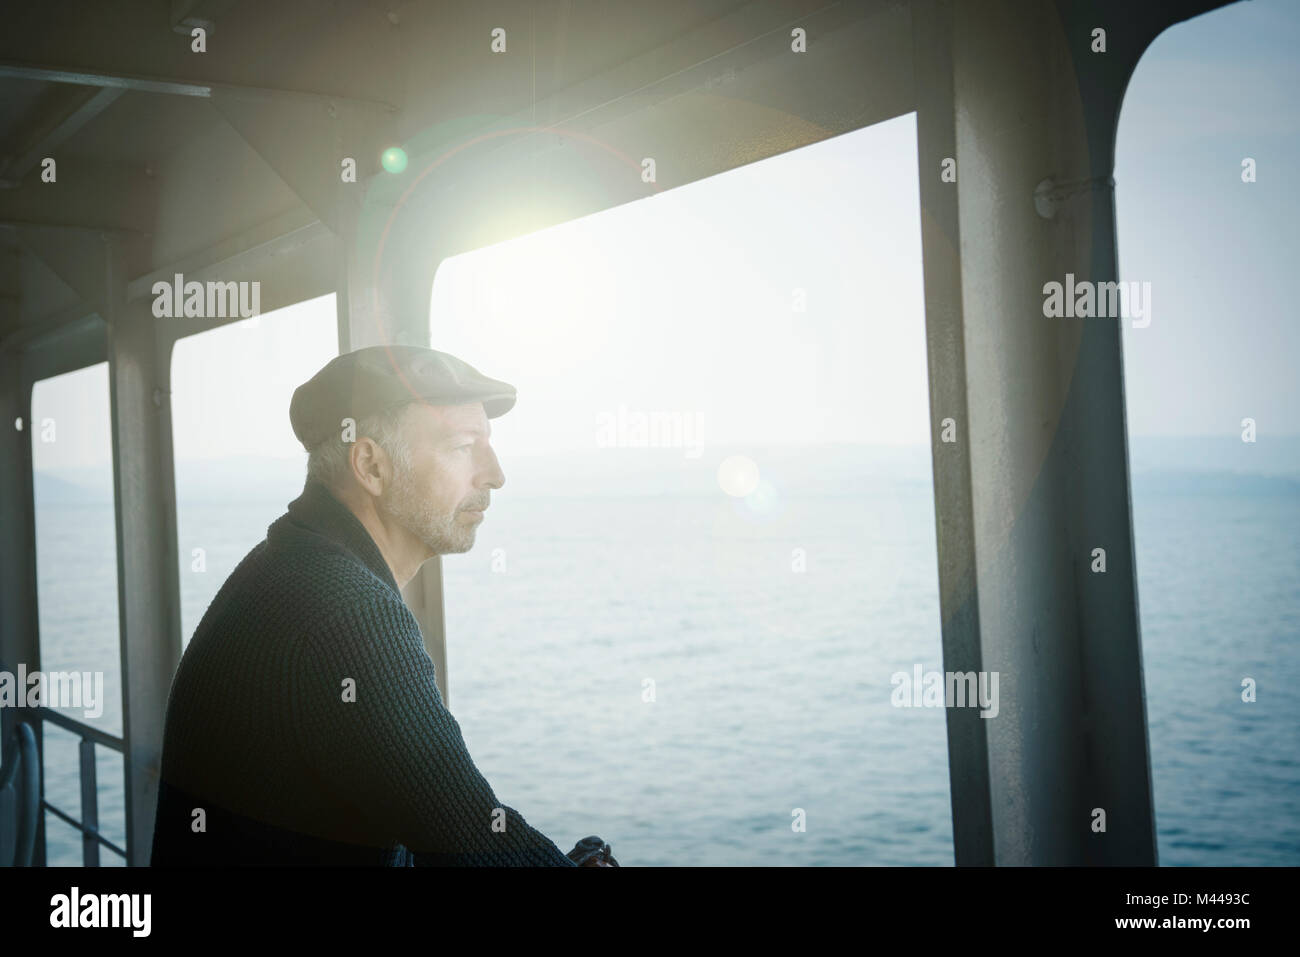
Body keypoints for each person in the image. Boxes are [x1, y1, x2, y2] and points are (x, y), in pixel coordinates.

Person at [150, 345, 616, 866]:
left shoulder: (284, 564)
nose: (494, 474)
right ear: (371, 465)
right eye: (464, 447)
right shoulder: (346, 611)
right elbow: (475, 844)